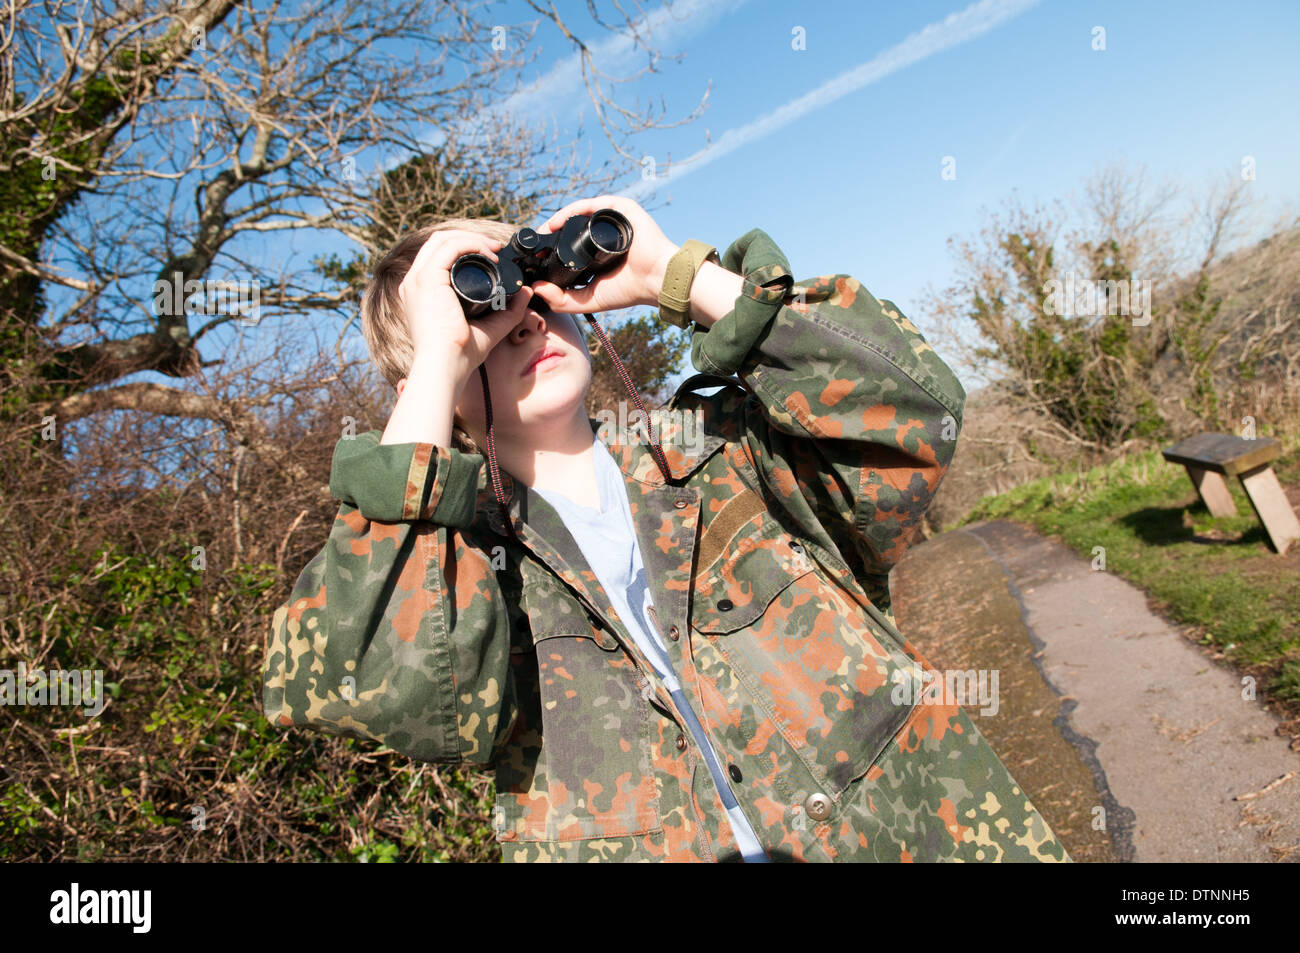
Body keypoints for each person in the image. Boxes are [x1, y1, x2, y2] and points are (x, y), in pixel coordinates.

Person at [261, 194, 1071, 863]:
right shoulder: (459, 571)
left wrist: (673, 275)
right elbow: (375, 687)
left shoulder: (726, 455)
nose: (521, 317)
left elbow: (915, 413)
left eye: (525, 283)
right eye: (480, 302)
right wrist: (436, 356)